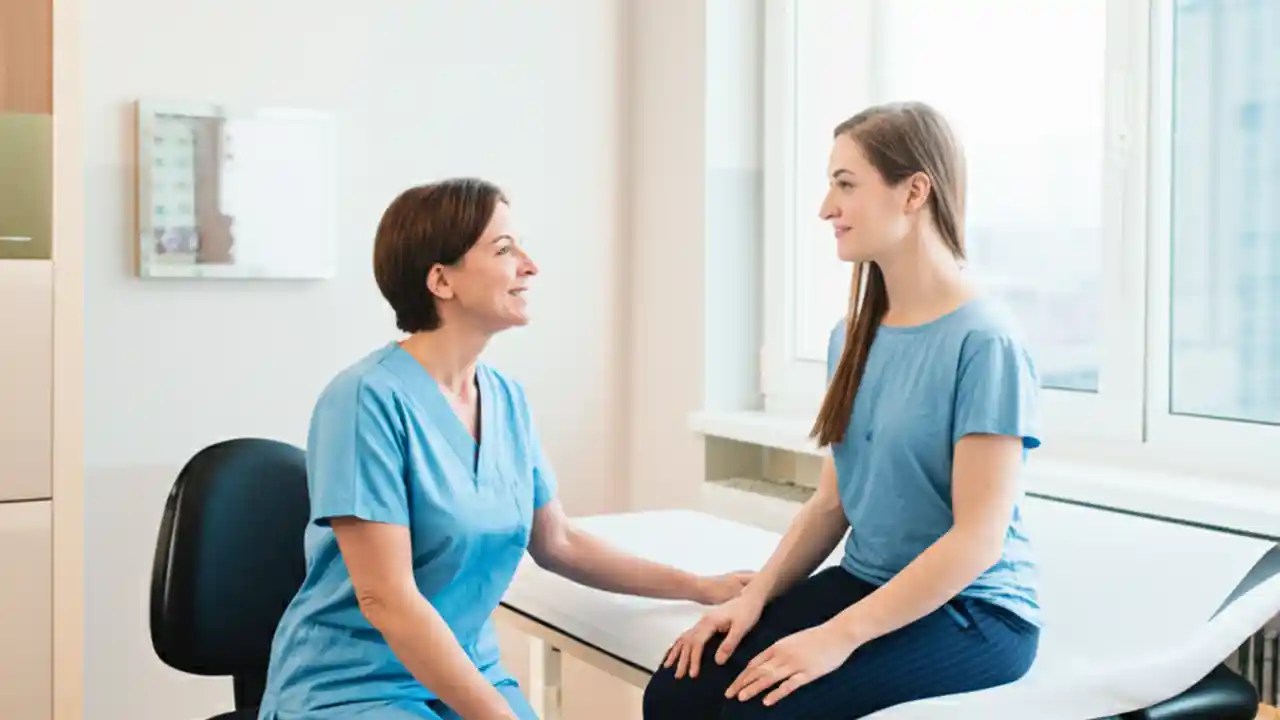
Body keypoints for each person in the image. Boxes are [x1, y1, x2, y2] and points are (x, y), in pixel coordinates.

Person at [256, 178, 752, 720]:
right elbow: (386, 599)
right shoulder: (362, 400)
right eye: (504, 249)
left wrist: (699, 586)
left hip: (464, 672)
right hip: (352, 686)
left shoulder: (505, 399)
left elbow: (558, 542)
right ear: (441, 280)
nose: (530, 266)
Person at [642, 101, 1044, 719]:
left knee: (759, 711)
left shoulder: (985, 341)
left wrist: (837, 636)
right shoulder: (851, 335)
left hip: (976, 612)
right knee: (676, 691)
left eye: (845, 184)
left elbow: (977, 541)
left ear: (914, 191)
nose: (826, 207)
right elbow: (832, 502)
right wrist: (755, 600)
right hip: (869, 580)